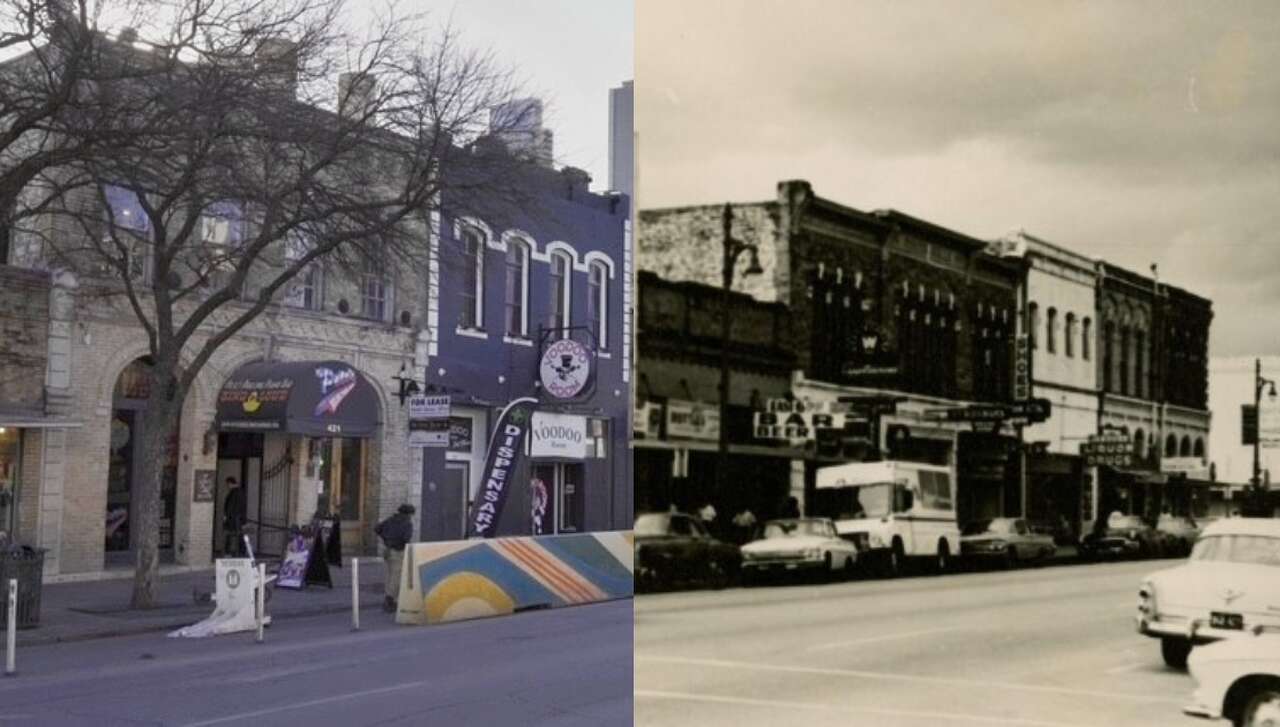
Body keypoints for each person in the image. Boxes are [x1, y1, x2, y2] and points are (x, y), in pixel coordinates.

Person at [375, 504, 415, 613]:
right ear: (409, 514)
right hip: (398, 551)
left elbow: (377, 528)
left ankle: (389, 596)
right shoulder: (407, 523)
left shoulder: (390, 520)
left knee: (389, 574)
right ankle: (390, 599)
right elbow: (406, 538)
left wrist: (386, 538)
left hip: (387, 550)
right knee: (397, 576)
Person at [222, 477, 246, 557]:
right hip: (240, 518)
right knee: (239, 535)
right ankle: (241, 552)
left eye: (227, 484)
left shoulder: (233, 493)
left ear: (230, 483)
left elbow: (230, 506)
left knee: (230, 535)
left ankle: (229, 552)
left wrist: (226, 516)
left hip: (232, 519)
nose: (227, 487)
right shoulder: (241, 492)